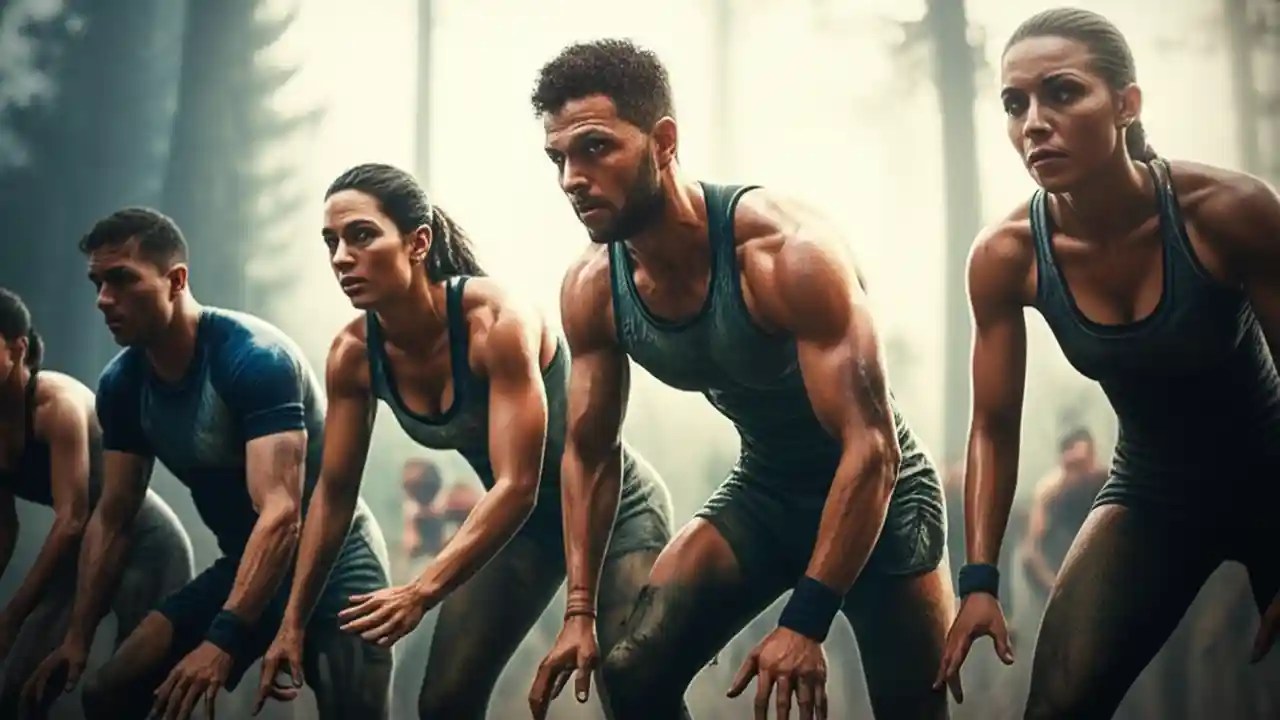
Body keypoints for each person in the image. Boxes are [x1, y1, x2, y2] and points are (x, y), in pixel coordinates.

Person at [526, 39, 951, 720]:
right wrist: (578, 610)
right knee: (631, 675)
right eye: (558, 158)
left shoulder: (789, 253)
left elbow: (872, 450)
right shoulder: (591, 288)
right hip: (767, 492)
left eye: (596, 148)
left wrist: (806, 620)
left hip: (882, 495)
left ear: (663, 141)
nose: (572, 178)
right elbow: (589, 450)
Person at [935, 8, 1280, 718]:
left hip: (1271, 469)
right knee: (1055, 707)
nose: (1033, 121)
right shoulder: (1007, 256)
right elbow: (995, 426)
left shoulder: (1230, 211)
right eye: (1014, 102)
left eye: (1062, 92)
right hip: (1152, 491)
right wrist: (977, 581)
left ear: (1127, 104)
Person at [253, 163, 673, 720]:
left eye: (361, 235)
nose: (341, 258)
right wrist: (292, 624)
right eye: (331, 242)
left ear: (417, 241)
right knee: (445, 703)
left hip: (614, 510)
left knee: (633, 689)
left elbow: (519, 484)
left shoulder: (494, 322)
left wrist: (421, 591)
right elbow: (332, 494)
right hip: (520, 532)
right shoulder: (353, 356)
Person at [20, 207, 394, 720]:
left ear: (176, 281)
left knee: (354, 713)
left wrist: (224, 638)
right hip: (246, 562)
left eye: (122, 279)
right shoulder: (122, 385)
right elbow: (114, 516)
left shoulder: (254, 358)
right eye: (98, 282)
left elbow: (283, 515)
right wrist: (78, 637)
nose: (105, 299)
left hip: (332, 564)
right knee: (108, 691)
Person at [0, 288, 194, 717]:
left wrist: (13, 613)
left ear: (16, 349)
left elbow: (72, 519)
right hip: (81, 550)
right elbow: (4, 526)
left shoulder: (57, 404)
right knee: (18, 691)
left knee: (125, 697)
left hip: (149, 546)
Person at [1020, 427, 1106, 603]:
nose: (1080, 473)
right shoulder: (1049, 493)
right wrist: (1056, 590)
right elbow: (1030, 553)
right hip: (1059, 576)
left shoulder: (1103, 482)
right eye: (1073, 466)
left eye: (1084, 464)